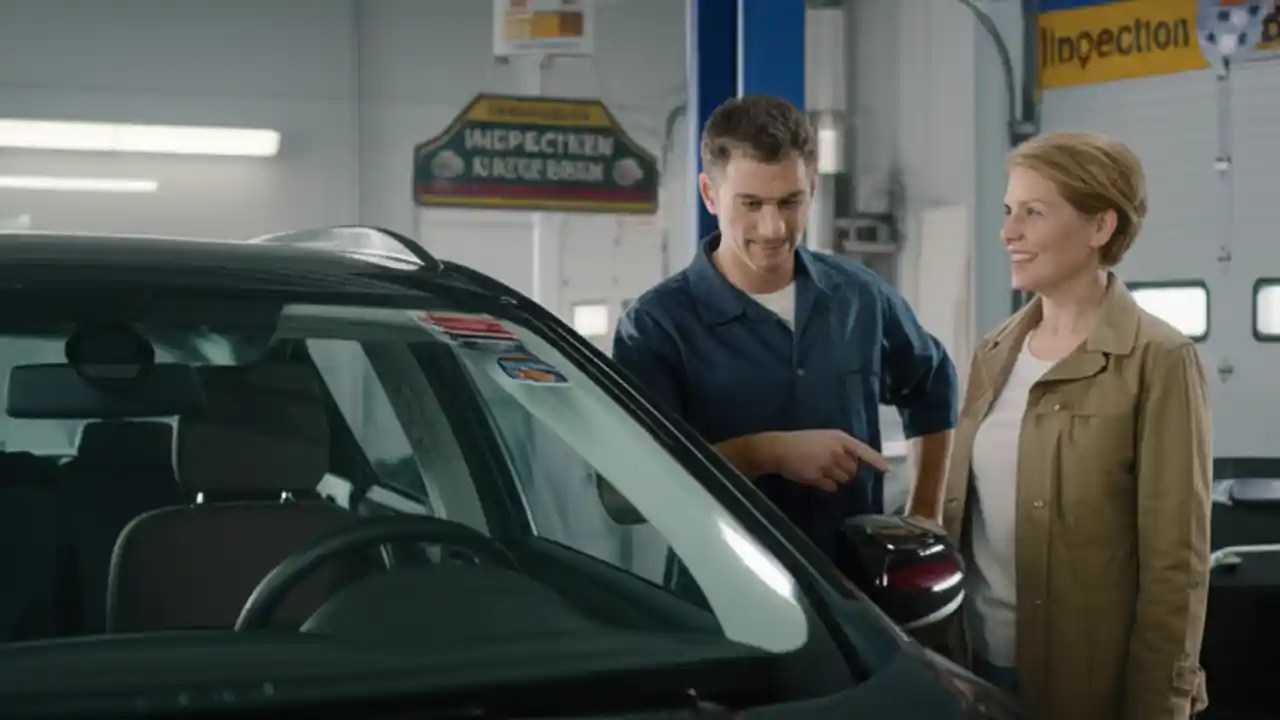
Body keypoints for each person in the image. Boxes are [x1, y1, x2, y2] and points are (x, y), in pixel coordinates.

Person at [612, 94, 958, 564]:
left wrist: (925, 513)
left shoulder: (859, 297)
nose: (773, 227)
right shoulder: (656, 327)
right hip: (720, 606)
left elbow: (933, 382)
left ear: (812, 187)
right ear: (710, 195)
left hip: (853, 598)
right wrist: (764, 453)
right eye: (750, 203)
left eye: (790, 201)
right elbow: (627, 495)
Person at [940, 130, 1211, 719]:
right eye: (1009, 212)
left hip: (1087, 684)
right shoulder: (993, 352)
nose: (1008, 232)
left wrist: (1159, 705)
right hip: (976, 667)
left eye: (1033, 213)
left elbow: (1175, 567)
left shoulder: (1158, 360)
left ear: (1100, 228)